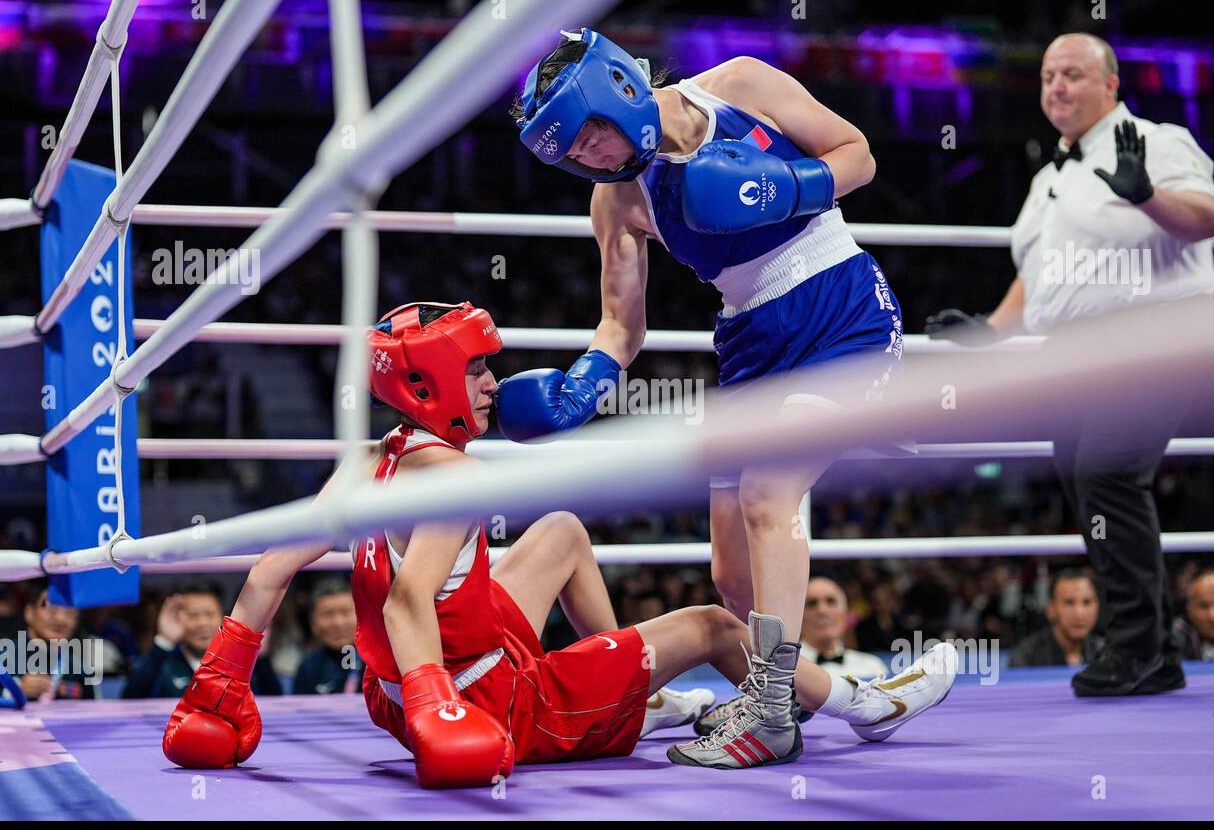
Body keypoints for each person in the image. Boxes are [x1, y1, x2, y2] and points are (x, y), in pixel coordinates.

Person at [160, 302, 955, 787]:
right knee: (715, 624)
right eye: (476, 370)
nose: (492, 386)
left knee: (564, 531)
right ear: (432, 381)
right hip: (490, 700)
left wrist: (218, 686)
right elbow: (408, 601)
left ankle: (631, 701)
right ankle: (863, 705)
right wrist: (442, 711)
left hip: (405, 686)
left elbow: (271, 568)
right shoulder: (444, 478)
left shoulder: (372, 457)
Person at [505, 28, 909, 768]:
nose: (589, 158)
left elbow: (859, 154)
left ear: (620, 90)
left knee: (769, 492)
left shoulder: (742, 86)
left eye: (589, 136)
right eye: (572, 154)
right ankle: (835, 697)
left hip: (841, 311)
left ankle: (772, 712)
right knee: (730, 572)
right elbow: (621, 326)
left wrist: (781, 187)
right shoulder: (618, 201)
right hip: (750, 347)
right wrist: (584, 382)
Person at [926, 32, 1214, 697]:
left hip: (1153, 338)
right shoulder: (1047, 180)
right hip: (1071, 355)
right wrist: (988, 330)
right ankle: (1157, 649)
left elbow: (1208, 219)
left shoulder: (1156, 140)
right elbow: (1039, 282)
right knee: (1088, 486)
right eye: (1048, 76)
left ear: (1111, 84)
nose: (1056, 86)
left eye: (1073, 74)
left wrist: (1147, 195)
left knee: (1108, 475)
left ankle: (1135, 646)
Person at [124, 583, 281, 699]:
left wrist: (257, 658)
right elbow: (129, 698)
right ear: (178, 619)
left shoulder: (239, 665)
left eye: (209, 614)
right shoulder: (165, 664)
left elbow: (275, 701)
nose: (203, 623)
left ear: (223, 618)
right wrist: (164, 642)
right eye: (193, 615)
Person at [1008, 569, 1105, 667]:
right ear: (1051, 609)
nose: (1079, 613)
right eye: (1069, 603)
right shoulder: (1026, 657)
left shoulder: (1106, 653)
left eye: (1087, 602)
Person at [799, 575, 886, 678]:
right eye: (812, 603)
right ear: (798, 616)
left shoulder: (872, 667)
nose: (822, 610)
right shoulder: (783, 669)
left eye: (831, 601)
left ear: (844, 614)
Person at [293, 579, 364, 694]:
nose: (338, 623)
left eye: (346, 612)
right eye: (328, 614)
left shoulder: (379, 661)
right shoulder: (309, 667)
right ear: (313, 623)